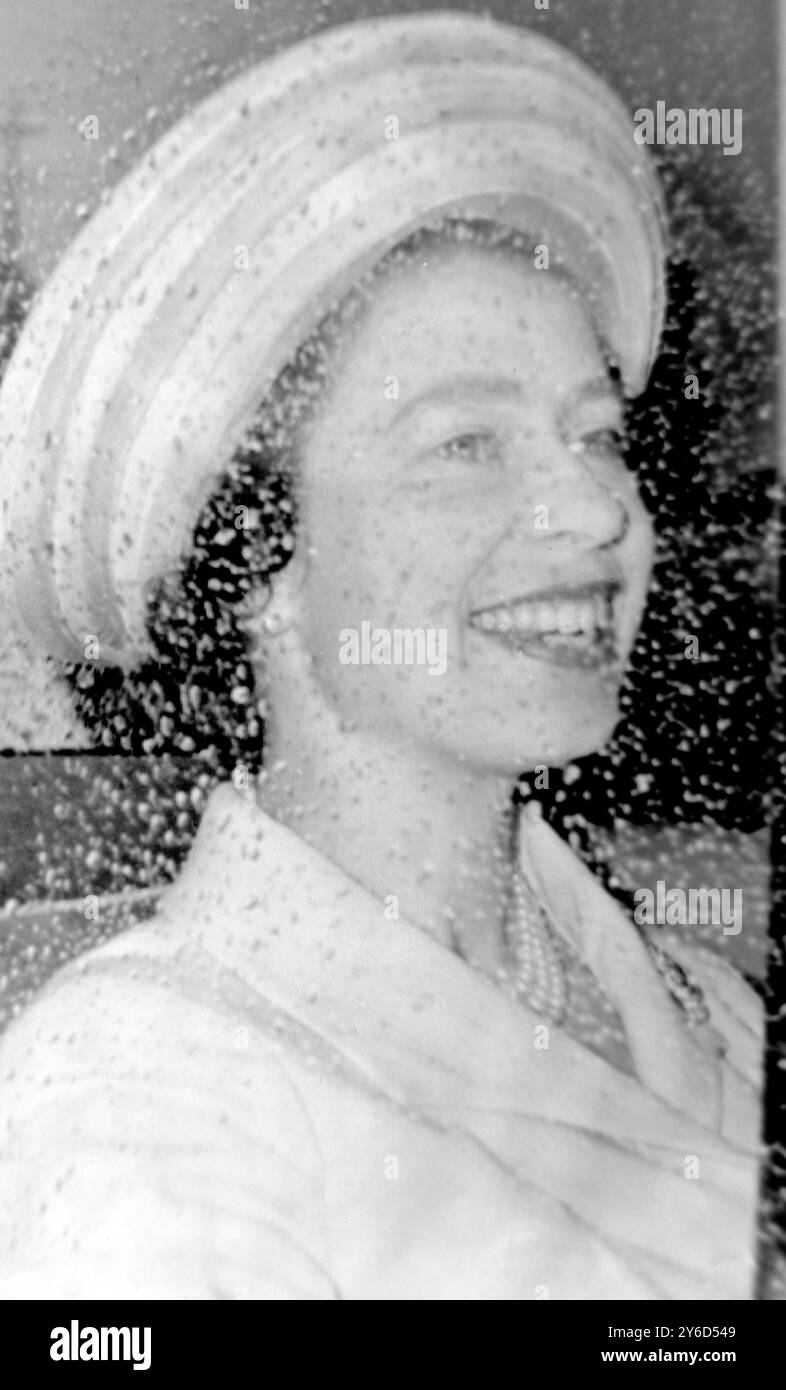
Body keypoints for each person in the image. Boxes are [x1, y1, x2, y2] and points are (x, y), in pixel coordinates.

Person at [0, 13, 762, 1300]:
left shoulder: (710, 1004)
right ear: (257, 562)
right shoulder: (138, 1098)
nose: (599, 512)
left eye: (595, 432)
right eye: (466, 443)